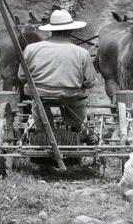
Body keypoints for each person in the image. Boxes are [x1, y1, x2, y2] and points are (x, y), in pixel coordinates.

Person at [17, 9, 100, 139]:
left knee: (38, 105)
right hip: (70, 94)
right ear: (71, 30)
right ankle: (75, 127)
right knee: (78, 102)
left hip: (40, 94)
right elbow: (91, 82)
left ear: (50, 30)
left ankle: (44, 129)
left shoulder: (31, 49)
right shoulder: (81, 52)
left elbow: (22, 76)